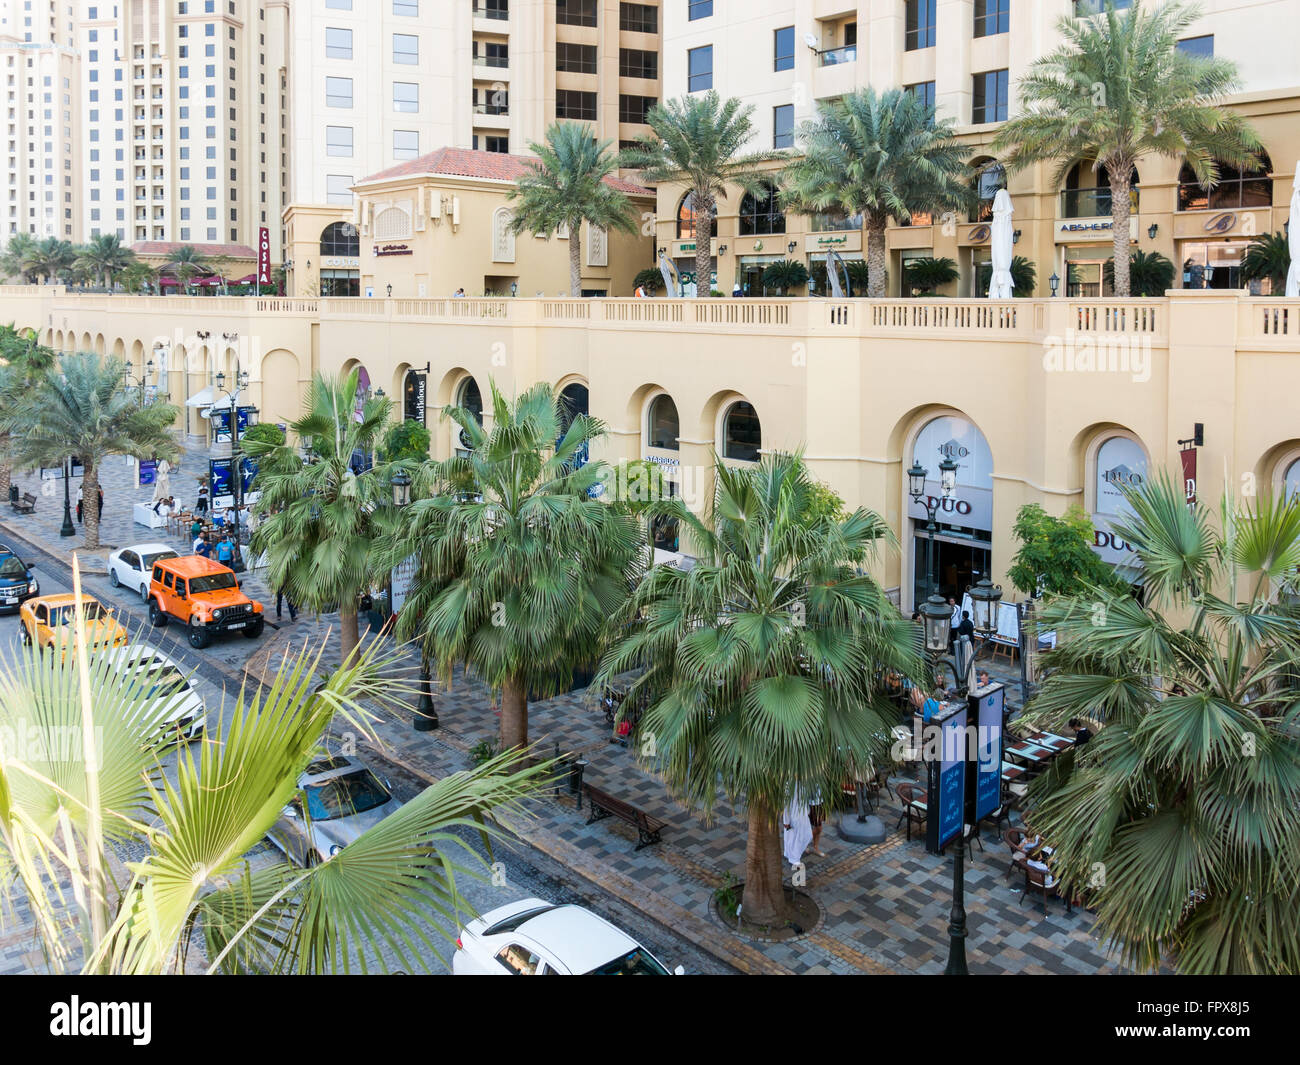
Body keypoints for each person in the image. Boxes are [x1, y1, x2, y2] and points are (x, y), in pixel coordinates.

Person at [782, 790, 812, 868]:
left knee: (807, 835)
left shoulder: (803, 782)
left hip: (802, 813)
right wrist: (786, 821)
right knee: (794, 838)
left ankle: (788, 853)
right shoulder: (789, 786)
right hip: (793, 816)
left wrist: (807, 810)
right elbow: (786, 805)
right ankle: (794, 859)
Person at [807, 786, 826, 857]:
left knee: (818, 828)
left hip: (820, 802)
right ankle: (804, 842)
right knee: (819, 828)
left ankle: (815, 848)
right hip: (812, 804)